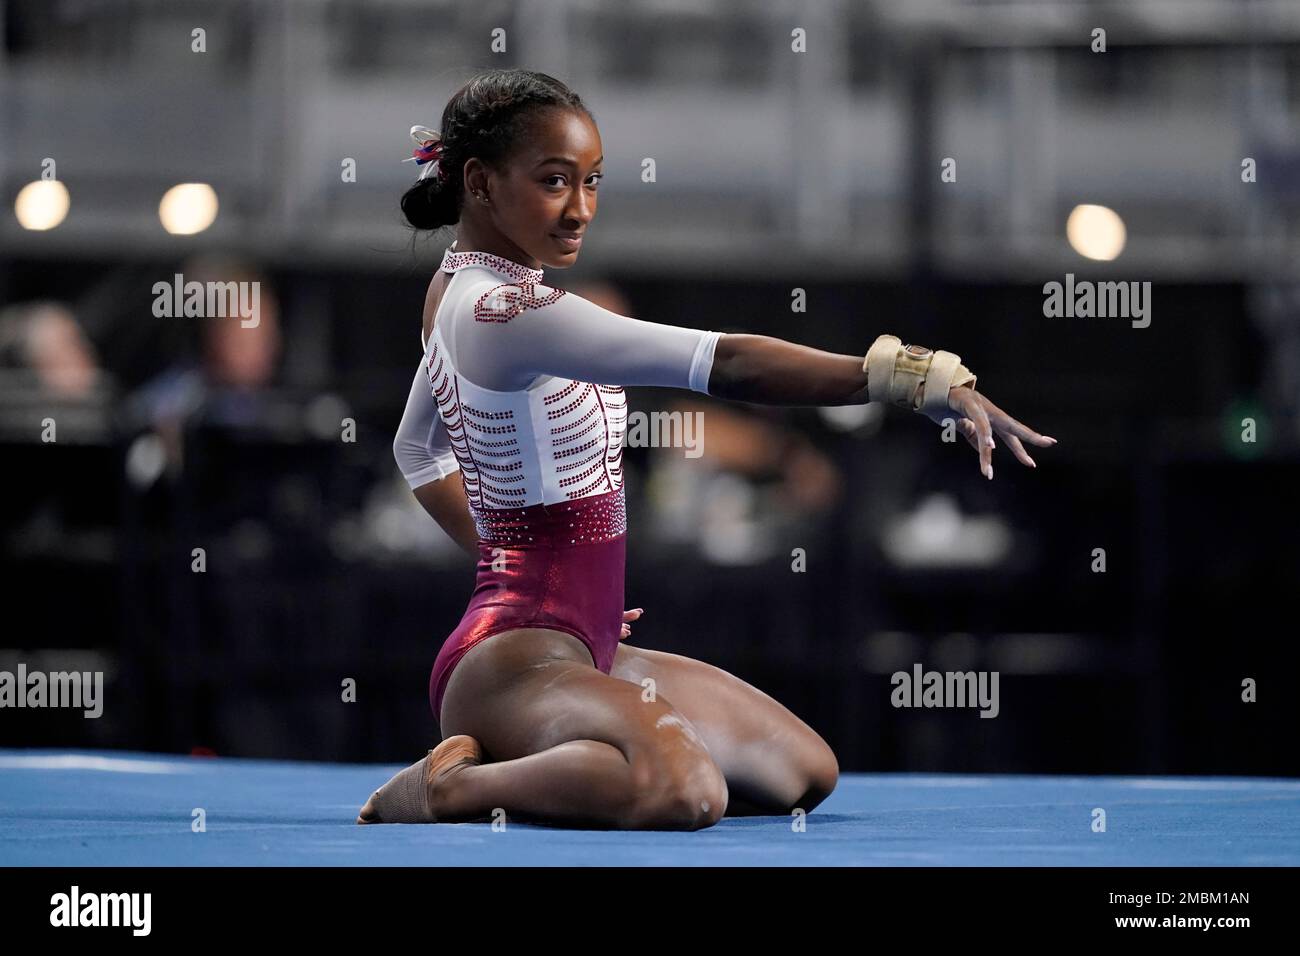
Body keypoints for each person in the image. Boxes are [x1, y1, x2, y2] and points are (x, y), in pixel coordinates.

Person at [360, 69, 1056, 830]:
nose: (581, 210)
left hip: (576, 644)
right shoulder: (504, 310)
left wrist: (517, 563)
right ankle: (450, 787)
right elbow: (725, 363)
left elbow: (416, 452)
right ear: (479, 182)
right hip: (511, 666)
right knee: (688, 790)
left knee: (802, 771)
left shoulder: (454, 287)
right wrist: (911, 377)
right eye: (555, 181)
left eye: (593, 181)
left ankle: (570, 757)